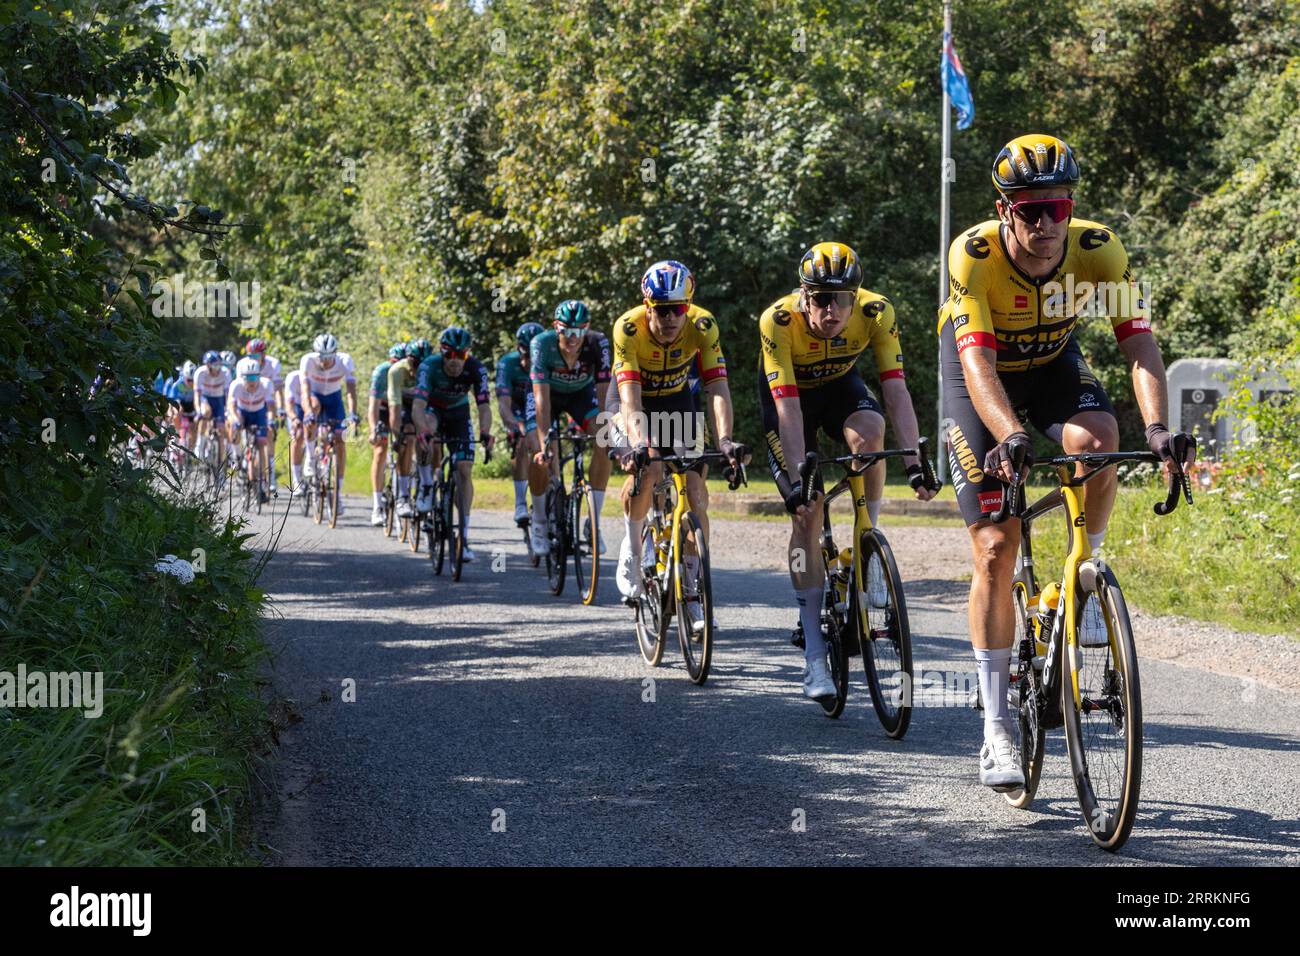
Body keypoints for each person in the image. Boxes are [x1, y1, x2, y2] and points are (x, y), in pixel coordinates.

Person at [938, 133, 1197, 790]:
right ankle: (996, 725)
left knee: (1099, 437)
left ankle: (1086, 569)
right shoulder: (975, 258)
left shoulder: (1097, 251)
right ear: (1005, 210)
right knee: (997, 544)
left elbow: (1138, 347)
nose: (1047, 224)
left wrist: (1161, 428)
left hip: (1052, 363)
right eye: (1031, 210)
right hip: (982, 376)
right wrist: (1009, 432)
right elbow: (976, 363)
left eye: (1058, 207)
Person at [759, 242, 935, 703]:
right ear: (804, 295)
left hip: (839, 385)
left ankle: (867, 544)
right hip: (790, 398)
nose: (832, 309)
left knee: (871, 432)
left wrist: (915, 461)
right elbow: (788, 410)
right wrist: (800, 478)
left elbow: (895, 392)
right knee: (808, 512)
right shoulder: (778, 320)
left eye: (843, 298)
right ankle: (815, 654)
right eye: (820, 298)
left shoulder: (877, 312)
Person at [611, 260, 745, 635]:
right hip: (631, 399)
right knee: (649, 468)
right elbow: (631, 401)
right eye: (662, 310)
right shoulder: (629, 328)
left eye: (678, 309)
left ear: (688, 306)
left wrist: (724, 441)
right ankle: (634, 554)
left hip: (675, 400)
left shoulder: (704, 325)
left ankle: (693, 588)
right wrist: (639, 444)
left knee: (696, 491)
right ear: (647, 305)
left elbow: (718, 388)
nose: (671, 319)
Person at [525, 301, 612, 558]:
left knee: (605, 439)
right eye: (567, 331)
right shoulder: (541, 344)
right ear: (556, 328)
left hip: (580, 396)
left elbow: (604, 394)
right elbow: (541, 402)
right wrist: (543, 442)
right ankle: (539, 522)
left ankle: (592, 523)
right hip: (548, 397)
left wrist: (603, 429)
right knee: (541, 455)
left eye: (579, 331)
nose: (573, 338)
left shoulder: (598, 343)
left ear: (587, 328)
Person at [412, 327, 494, 560]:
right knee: (426, 429)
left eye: (462, 356)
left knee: (464, 469)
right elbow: (418, 406)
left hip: (459, 414)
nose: (456, 362)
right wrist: (423, 432)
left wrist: (485, 432)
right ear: (442, 353)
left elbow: (484, 407)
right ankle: (427, 484)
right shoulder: (429, 366)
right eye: (450, 356)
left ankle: (464, 537)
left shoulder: (476, 368)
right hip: (434, 411)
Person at [299, 333, 359, 514]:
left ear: (335, 354)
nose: (324, 361)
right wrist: (308, 411)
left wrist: (353, 414)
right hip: (315, 397)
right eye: (321, 357)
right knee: (312, 413)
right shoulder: (307, 361)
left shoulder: (345, 361)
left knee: (341, 440)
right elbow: (304, 389)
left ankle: (337, 495)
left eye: (328, 357)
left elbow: (350, 390)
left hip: (334, 401)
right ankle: (310, 457)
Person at [497, 322, 545, 525]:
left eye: (532, 356)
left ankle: (551, 492)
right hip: (516, 408)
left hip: (539, 407)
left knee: (547, 444)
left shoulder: (546, 363)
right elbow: (503, 403)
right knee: (522, 441)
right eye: (525, 356)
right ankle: (520, 504)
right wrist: (514, 426)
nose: (528, 361)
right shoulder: (507, 364)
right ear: (519, 350)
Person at [388, 339, 430, 521]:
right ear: (408, 359)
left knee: (430, 437)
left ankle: (427, 483)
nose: (417, 368)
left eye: (421, 365)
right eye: (414, 363)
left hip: (423, 404)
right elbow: (394, 409)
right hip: (403, 405)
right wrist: (398, 437)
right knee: (408, 439)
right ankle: (403, 495)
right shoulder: (397, 371)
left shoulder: (431, 371)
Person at [226, 356, 278, 501]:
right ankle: (237, 457)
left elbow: (270, 407)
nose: (252, 382)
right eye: (249, 378)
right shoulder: (236, 385)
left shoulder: (266, 384)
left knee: (261, 444)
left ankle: (260, 483)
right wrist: (236, 420)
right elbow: (231, 406)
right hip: (242, 413)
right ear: (242, 377)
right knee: (233, 425)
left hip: (259, 414)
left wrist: (271, 420)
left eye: (255, 377)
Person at [368, 344, 407, 526]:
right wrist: (373, 429)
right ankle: (377, 506)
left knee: (409, 443)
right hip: (384, 409)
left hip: (402, 407)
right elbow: (373, 407)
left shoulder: (409, 373)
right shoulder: (381, 372)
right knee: (381, 449)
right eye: (393, 362)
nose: (396, 367)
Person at [194, 350, 232, 469]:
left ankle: (221, 463)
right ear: (208, 365)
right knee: (205, 412)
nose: (217, 368)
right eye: (215, 365)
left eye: (219, 365)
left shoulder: (225, 373)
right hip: (205, 399)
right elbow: (197, 396)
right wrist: (198, 410)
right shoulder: (200, 373)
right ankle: (200, 444)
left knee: (221, 430)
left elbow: (228, 395)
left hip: (219, 399)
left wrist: (228, 411)